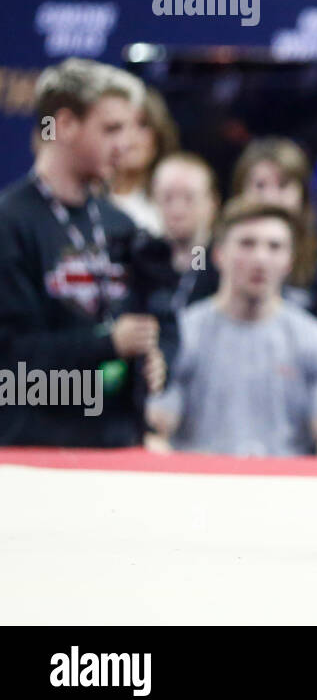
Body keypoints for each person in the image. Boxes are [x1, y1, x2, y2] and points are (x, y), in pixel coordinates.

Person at [0, 59, 170, 447]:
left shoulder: (123, 225)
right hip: (32, 449)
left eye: (129, 128)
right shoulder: (9, 224)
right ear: (65, 125)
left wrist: (159, 361)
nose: (125, 144)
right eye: (111, 128)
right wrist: (109, 343)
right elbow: (9, 358)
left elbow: (161, 319)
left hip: (117, 442)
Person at [147, 197, 317, 458]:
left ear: (289, 260)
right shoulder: (182, 335)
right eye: (247, 244)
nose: (260, 258)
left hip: (286, 489)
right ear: (219, 254)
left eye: (274, 247)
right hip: (199, 486)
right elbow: (155, 435)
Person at [190, 138, 317, 340]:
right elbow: (191, 326)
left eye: (283, 185)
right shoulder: (215, 252)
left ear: (303, 196)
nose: (271, 197)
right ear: (241, 192)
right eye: (260, 185)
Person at [151, 152, 220, 312]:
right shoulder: (143, 260)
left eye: (189, 198)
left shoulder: (224, 264)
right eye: (167, 197)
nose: (177, 210)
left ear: (212, 202)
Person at [109, 86, 179, 237]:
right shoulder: (86, 199)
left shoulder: (175, 201)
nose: (130, 136)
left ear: (159, 134)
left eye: (142, 124)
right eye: (119, 125)